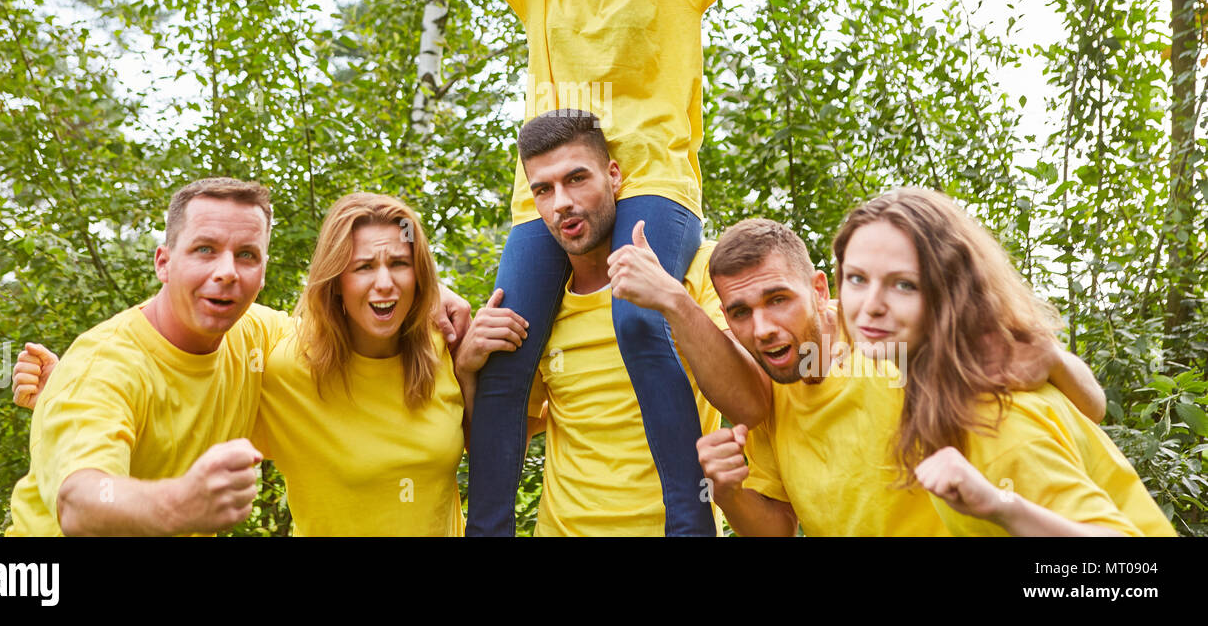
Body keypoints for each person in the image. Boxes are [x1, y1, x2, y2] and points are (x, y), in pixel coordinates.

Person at [323, 0, 883, 535]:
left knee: (635, 313)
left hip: (653, 180)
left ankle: (685, 520)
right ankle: (488, 531)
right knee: (507, 347)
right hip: (551, 191)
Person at [454, 110, 769, 535]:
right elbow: (496, 442)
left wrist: (672, 300)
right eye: (543, 190)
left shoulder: (696, 270)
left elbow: (749, 402)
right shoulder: (536, 305)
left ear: (614, 175)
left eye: (577, 178)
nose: (562, 201)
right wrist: (468, 371)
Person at [695, 216, 1113, 536]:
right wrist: (728, 493)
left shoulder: (895, 332)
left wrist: (1052, 358)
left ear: (819, 289)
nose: (763, 327)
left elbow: (1090, 408)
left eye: (778, 298)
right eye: (741, 312)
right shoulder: (767, 387)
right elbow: (778, 526)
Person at [832, 188, 1175, 536]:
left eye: (904, 285)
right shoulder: (928, 370)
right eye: (857, 278)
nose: (871, 305)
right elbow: (1094, 408)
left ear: (951, 295)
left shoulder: (995, 421)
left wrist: (1000, 505)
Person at [7, 177, 284, 535]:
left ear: (262, 275)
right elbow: (83, 498)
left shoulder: (255, 334)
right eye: (205, 249)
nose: (227, 271)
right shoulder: (103, 365)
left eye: (247, 254)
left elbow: (337, 339)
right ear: (163, 263)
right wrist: (180, 501)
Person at [249, 192, 470, 535]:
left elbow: (507, 434)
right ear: (336, 280)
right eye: (364, 267)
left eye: (399, 263)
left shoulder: (446, 343)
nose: (385, 284)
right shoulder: (288, 364)